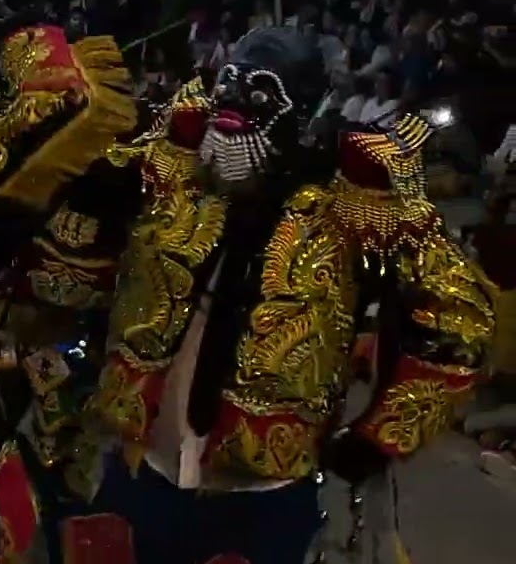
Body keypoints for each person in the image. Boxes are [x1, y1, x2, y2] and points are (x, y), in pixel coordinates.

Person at [77, 28, 495, 564]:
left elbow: (460, 319)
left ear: (301, 111)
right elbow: (93, 200)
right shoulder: (180, 174)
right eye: (225, 89)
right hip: (144, 462)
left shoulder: (343, 210)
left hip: (264, 491)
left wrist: (380, 436)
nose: (230, 109)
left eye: (258, 98)